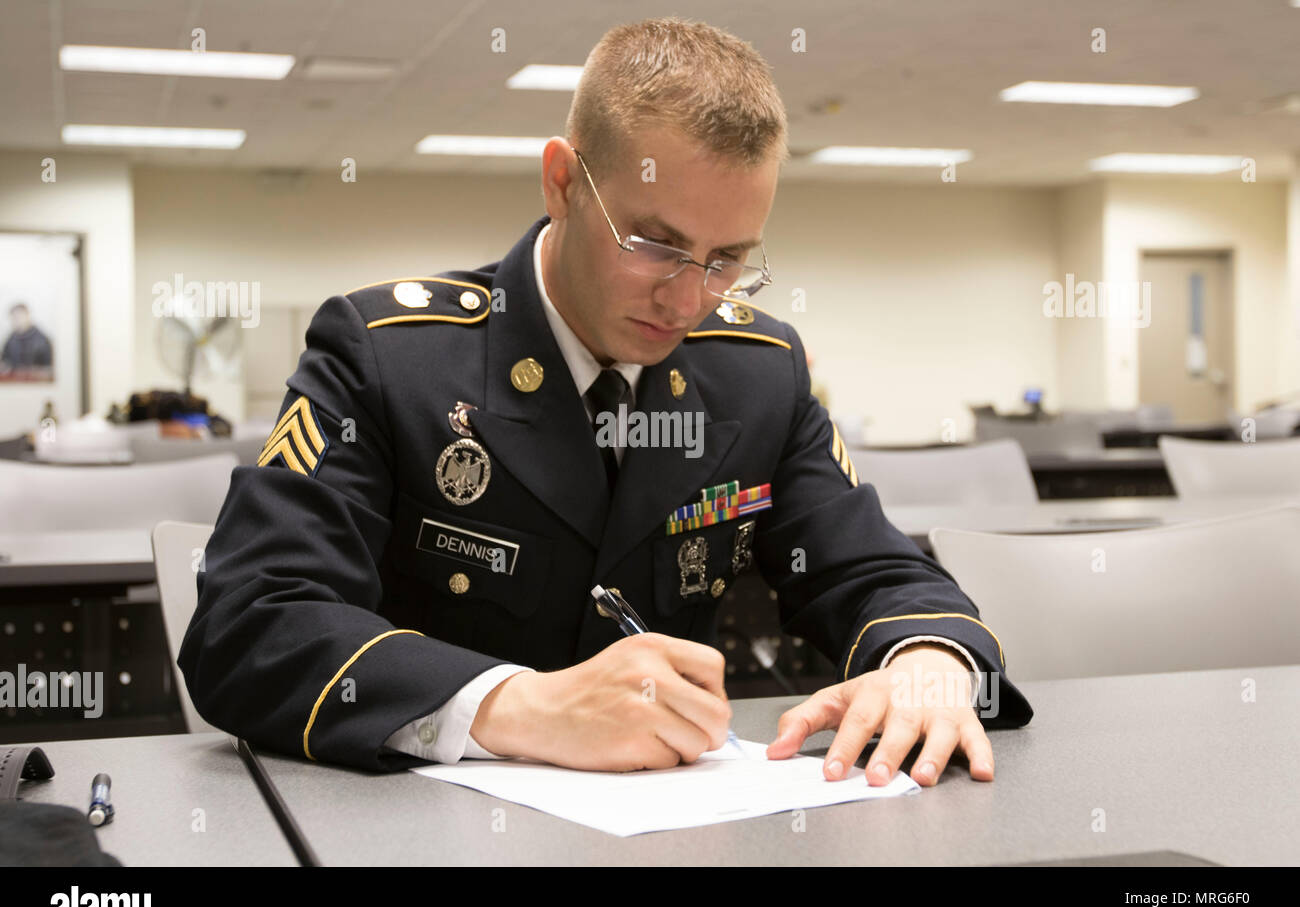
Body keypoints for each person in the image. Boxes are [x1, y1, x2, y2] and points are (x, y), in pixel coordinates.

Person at [180, 16, 1032, 785]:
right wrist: (520, 707)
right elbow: (251, 624)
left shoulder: (758, 371)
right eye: (654, 244)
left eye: (727, 256)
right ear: (560, 183)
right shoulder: (387, 358)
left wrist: (929, 658)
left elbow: (870, 569)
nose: (690, 298)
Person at [1, 303, 53, 376]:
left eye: (19, 316)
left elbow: (49, 369)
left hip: (35, 384)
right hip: (15, 383)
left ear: (27, 315)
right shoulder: (11, 339)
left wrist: (33, 372)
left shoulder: (42, 340)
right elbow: (4, 362)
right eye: (13, 317)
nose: (16, 320)